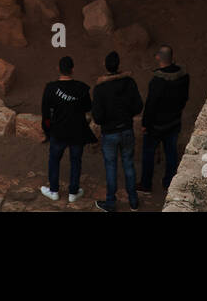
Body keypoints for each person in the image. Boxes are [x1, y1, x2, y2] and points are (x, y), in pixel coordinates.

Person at [90, 51, 143, 212]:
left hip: (110, 134)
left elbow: (97, 118)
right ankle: (133, 201)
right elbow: (138, 106)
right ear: (119, 65)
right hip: (126, 129)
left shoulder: (100, 89)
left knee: (111, 167)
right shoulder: (129, 82)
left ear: (106, 66)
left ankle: (111, 202)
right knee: (128, 165)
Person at [39, 56, 94, 203]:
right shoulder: (82, 88)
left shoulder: (50, 88)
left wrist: (47, 130)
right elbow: (88, 107)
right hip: (77, 131)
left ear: (58, 69)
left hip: (58, 131)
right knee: (76, 160)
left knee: (54, 160)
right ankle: (73, 193)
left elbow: (45, 113)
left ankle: (54, 191)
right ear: (73, 70)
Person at [139, 45, 190, 194]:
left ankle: (146, 184)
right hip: (174, 122)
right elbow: (184, 98)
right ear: (172, 57)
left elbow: (151, 105)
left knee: (148, 154)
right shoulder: (183, 76)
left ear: (158, 58)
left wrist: (145, 124)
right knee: (171, 153)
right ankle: (169, 182)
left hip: (156, 126)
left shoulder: (157, 81)